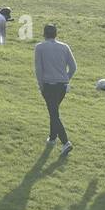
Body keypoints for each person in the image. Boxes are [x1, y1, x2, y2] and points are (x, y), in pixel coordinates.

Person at [34, 23, 76, 156]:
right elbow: (73, 67)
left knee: (54, 114)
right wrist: (66, 78)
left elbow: (39, 69)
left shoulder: (40, 47)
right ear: (56, 34)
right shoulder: (64, 47)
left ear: (44, 34)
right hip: (62, 86)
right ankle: (52, 138)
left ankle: (65, 142)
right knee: (54, 110)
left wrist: (41, 85)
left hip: (49, 85)